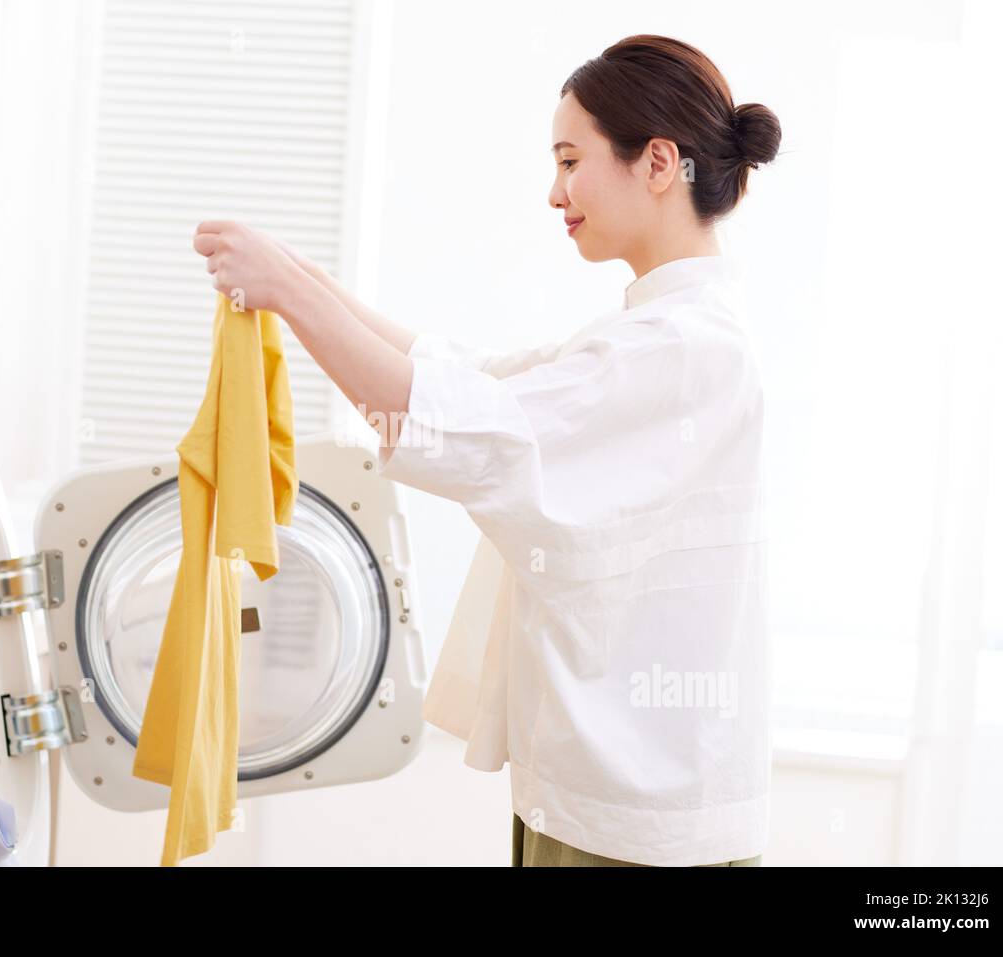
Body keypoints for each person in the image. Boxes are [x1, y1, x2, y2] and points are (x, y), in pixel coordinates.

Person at [191, 34, 780, 867]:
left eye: (571, 160)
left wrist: (287, 291)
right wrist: (304, 280)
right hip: (602, 794)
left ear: (657, 163)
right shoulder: (656, 332)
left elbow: (464, 425)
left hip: (642, 817)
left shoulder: (682, 349)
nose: (555, 191)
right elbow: (468, 378)